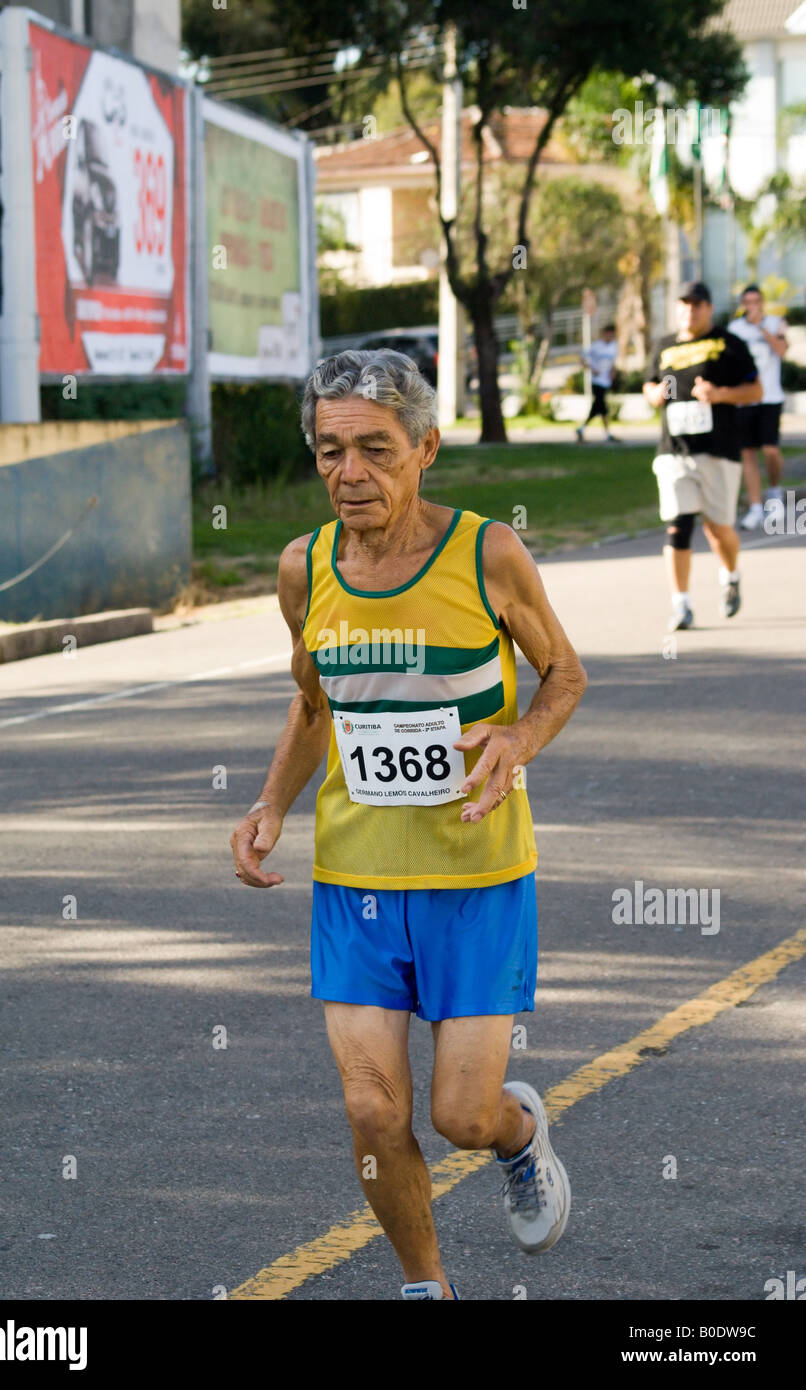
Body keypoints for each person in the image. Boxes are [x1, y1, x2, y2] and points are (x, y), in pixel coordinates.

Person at [230, 349, 587, 1301]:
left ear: (425, 448)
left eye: (376, 450)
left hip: (475, 874)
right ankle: (426, 1287)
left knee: (461, 1114)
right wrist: (271, 803)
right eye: (331, 450)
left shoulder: (487, 555)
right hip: (357, 880)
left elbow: (565, 674)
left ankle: (518, 1135)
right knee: (370, 1110)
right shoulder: (304, 568)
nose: (351, 473)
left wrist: (518, 737)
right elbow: (314, 706)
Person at [642, 282, 762, 632]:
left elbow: (756, 389)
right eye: (684, 305)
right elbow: (649, 385)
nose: (689, 311)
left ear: (708, 308)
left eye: (696, 305)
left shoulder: (728, 345)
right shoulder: (663, 346)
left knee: (718, 529)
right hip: (674, 451)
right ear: (677, 308)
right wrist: (655, 393)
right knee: (678, 526)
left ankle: (730, 574)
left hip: (718, 450)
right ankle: (681, 605)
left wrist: (720, 393)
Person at [726, 285, 788, 530]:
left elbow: (782, 351)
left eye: (755, 301)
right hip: (745, 399)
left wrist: (760, 327)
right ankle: (754, 507)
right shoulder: (735, 329)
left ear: (762, 302)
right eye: (747, 302)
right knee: (747, 453)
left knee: (771, 450)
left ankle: (774, 492)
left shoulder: (775, 323)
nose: (751, 305)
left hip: (770, 397)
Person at [576, 324, 619, 443]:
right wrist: (592, 369)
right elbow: (582, 359)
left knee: (597, 408)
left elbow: (613, 362)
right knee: (602, 407)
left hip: (606, 381)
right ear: (605, 333)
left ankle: (581, 429)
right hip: (596, 381)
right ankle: (607, 434)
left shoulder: (614, 346)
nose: (611, 336)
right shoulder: (596, 346)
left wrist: (613, 372)